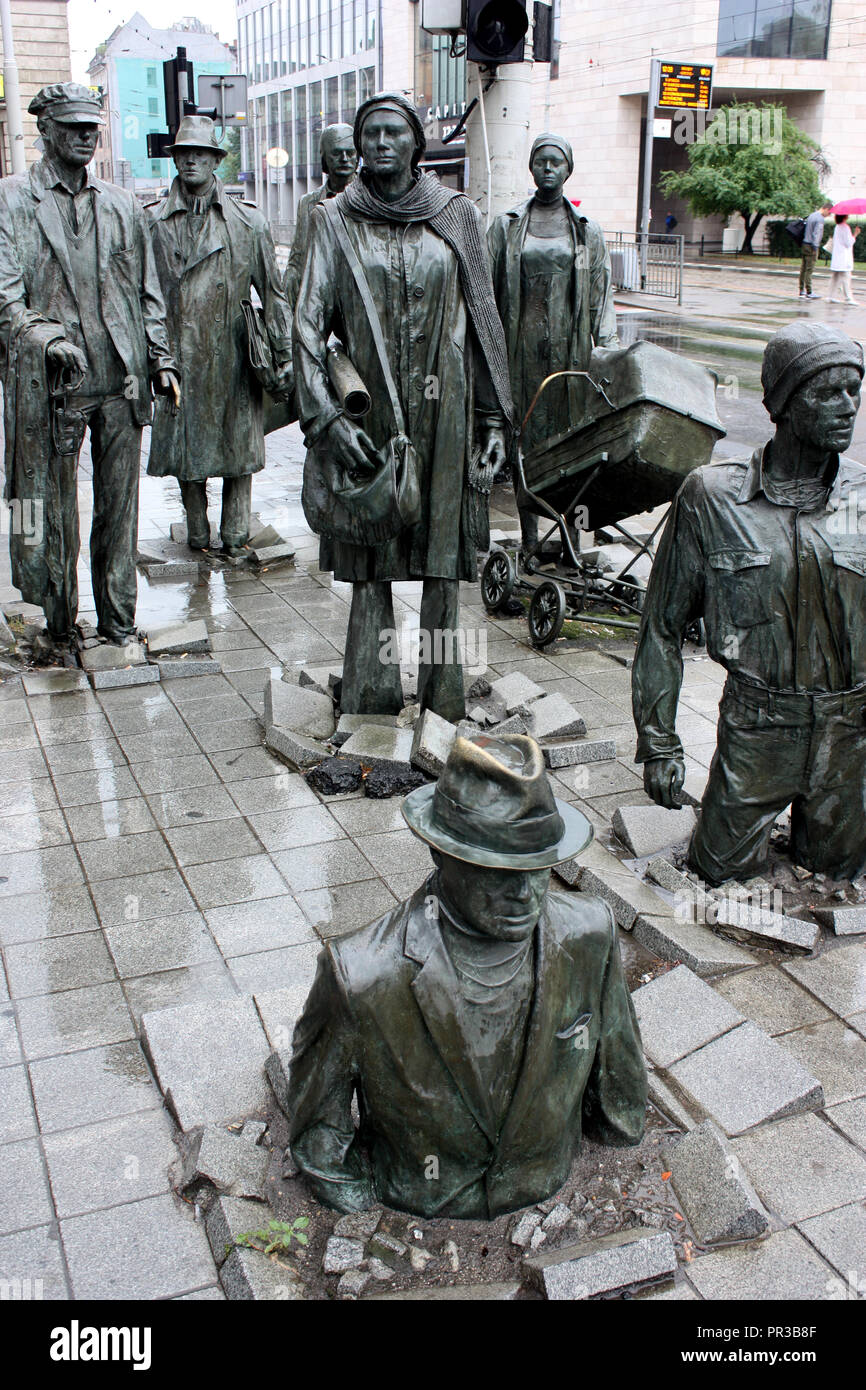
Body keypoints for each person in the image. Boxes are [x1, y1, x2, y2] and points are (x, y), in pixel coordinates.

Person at [287, 733, 646, 1219]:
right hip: (423, 1196)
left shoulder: (589, 934)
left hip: (548, 1177)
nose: (524, 893)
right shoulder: (361, 976)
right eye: (498, 870)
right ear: (442, 853)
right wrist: (360, 1215)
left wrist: (621, 1152)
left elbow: (618, 1086)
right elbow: (318, 1135)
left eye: (538, 867)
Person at [294, 91, 512, 721]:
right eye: (370, 134)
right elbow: (307, 329)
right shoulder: (334, 221)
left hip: (447, 412)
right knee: (372, 559)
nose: (381, 143)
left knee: (443, 561)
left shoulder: (458, 216)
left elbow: (484, 324)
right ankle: (371, 696)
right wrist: (327, 421)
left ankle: (444, 699)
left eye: (394, 132)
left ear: (418, 143)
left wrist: (493, 418)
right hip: (369, 414)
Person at [632, 322, 866, 886]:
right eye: (827, 392)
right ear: (783, 404)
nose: (848, 407)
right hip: (758, 730)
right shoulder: (710, 497)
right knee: (716, 873)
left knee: (838, 876)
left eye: (854, 390)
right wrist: (659, 744)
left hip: (850, 737)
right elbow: (662, 627)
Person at [0, 83, 178, 652]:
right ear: (44, 130)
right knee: (52, 510)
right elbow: (5, 299)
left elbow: (150, 293)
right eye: (71, 126)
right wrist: (45, 337)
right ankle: (58, 621)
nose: (84, 136)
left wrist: (161, 359)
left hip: (120, 383)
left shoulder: (124, 204)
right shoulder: (11, 200)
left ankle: (118, 620)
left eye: (91, 127)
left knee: (119, 510)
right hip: (55, 389)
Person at [146, 116, 293, 556]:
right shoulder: (151, 222)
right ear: (174, 159)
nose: (191, 159)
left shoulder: (248, 223)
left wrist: (283, 354)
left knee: (236, 452)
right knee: (187, 457)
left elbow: (274, 293)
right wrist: (156, 356)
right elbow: (143, 295)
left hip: (232, 356)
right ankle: (195, 530)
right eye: (182, 152)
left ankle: (234, 533)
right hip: (179, 355)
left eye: (200, 153)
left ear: (215, 161)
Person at [487, 134, 617, 558]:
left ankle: (571, 541)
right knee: (525, 442)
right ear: (531, 168)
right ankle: (528, 541)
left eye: (556, 162)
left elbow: (601, 294)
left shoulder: (586, 230)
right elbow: (485, 292)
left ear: (568, 170)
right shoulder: (506, 226)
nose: (548, 168)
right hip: (520, 349)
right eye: (540, 161)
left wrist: (608, 352)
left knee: (573, 445)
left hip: (570, 352)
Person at [284, 123, 358, 310]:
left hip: (358, 296)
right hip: (320, 295)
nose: (344, 159)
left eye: (350, 153)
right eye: (336, 153)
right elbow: (298, 257)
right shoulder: (308, 203)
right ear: (324, 157)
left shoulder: (370, 198)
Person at [799, 198, 833, 299]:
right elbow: (817, 234)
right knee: (810, 269)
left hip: (804, 243)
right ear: (826, 209)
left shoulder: (811, 215)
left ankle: (801, 290)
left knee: (803, 268)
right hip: (811, 246)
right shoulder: (820, 219)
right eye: (829, 213)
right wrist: (815, 246)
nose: (829, 215)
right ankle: (809, 292)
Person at [828, 214, 860, 305]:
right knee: (846, 277)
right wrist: (855, 235)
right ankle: (848, 298)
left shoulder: (837, 227)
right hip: (844, 257)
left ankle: (831, 296)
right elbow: (848, 243)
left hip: (837, 256)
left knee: (835, 277)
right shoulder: (845, 227)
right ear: (844, 217)